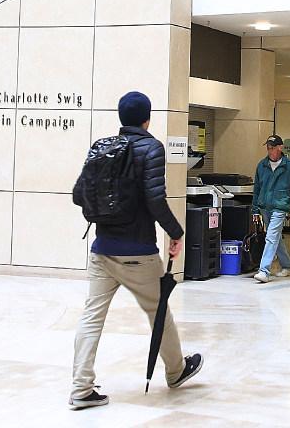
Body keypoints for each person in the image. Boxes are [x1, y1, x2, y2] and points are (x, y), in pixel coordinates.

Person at [69, 91, 203, 411]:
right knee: (158, 311)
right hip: (137, 252)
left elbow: (79, 195)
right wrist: (176, 232)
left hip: (101, 249)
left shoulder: (102, 147)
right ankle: (175, 370)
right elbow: (156, 200)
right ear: (147, 118)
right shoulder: (150, 147)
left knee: (91, 317)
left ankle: (80, 388)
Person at [251, 134, 290, 283]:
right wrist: (255, 210)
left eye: (272, 148)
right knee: (275, 237)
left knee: (271, 237)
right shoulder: (261, 165)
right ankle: (287, 266)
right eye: (268, 148)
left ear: (280, 148)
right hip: (265, 206)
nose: (270, 151)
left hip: (280, 206)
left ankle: (264, 270)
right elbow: (257, 189)